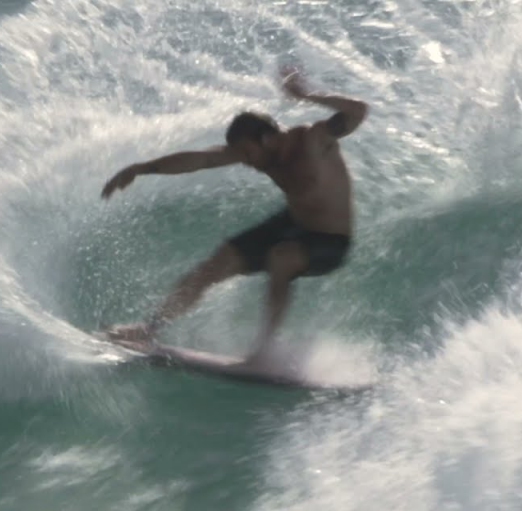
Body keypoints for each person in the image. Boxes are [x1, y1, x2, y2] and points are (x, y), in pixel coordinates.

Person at [101, 65, 368, 362]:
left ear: (266, 139)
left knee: (282, 256)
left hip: (331, 240)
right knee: (215, 264)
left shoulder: (313, 140)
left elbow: (359, 110)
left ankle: (266, 350)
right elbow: (202, 159)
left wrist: (307, 94)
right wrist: (141, 169)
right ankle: (148, 329)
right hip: (293, 224)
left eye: (248, 154)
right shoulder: (258, 153)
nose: (247, 163)